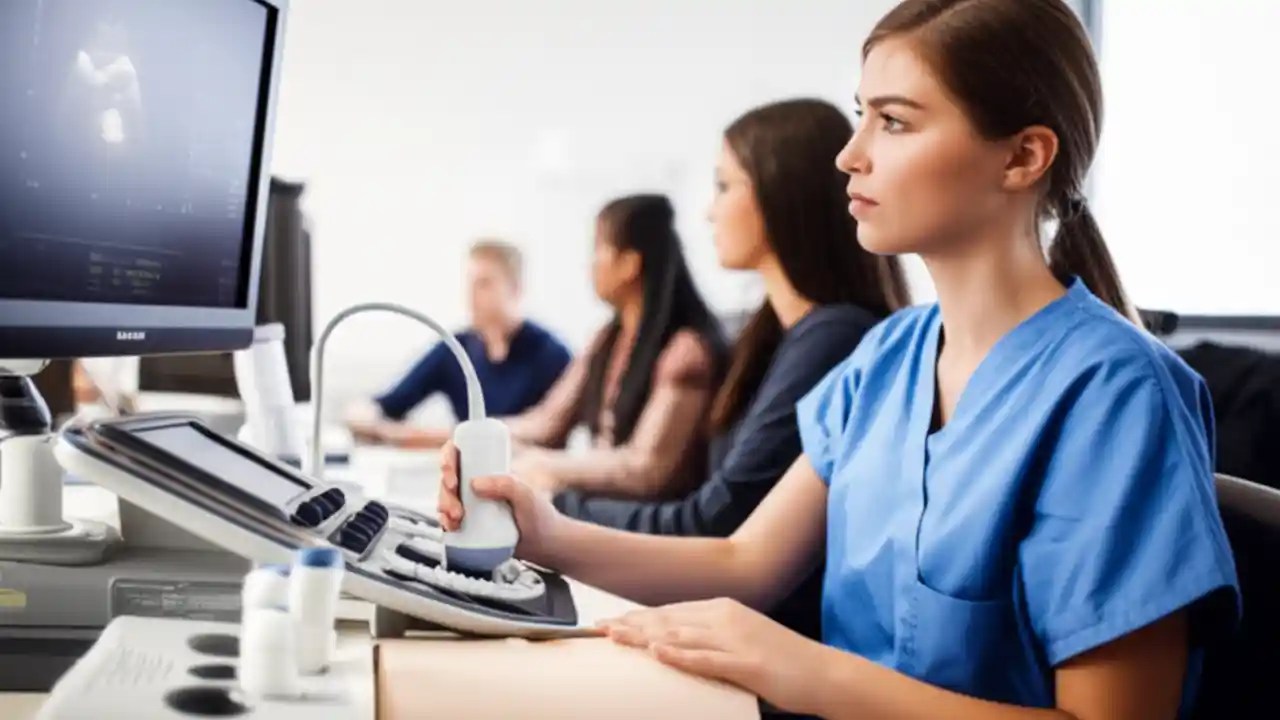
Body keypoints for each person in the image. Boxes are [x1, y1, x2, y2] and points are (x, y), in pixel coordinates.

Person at [438, 1, 1240, 717]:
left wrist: (804, 671)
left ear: (1022, 157)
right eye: (861, 116)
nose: (849, 156)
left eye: (893, 122)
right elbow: (745, 561)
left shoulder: (1117, 396)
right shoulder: (888, 357)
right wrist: (546, 536)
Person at [551, 98, 911, 640]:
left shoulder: (834, 339)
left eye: (723, 187)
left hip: (773, 647)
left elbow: (715, 522)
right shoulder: (770, 337)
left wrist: (555, 510)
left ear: (778, 193)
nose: (707, 212)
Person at [507, 194, 729, 500]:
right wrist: (463, 436)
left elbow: (645, 469)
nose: (591, 265)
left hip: (649, 526)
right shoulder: (606, 339)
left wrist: (540, 465)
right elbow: (547, 423)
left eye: (598, 249)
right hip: (606, 513)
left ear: (629, 264)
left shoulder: (686, 351)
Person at [347, 240, 571, 448]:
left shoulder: (553, 355)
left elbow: (539, 429)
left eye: (484, 284)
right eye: (470, 284)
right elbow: (387, 404)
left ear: (515, 289)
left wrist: (405, 435)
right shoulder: (455, 350)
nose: (471, 296)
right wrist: (364, 417)